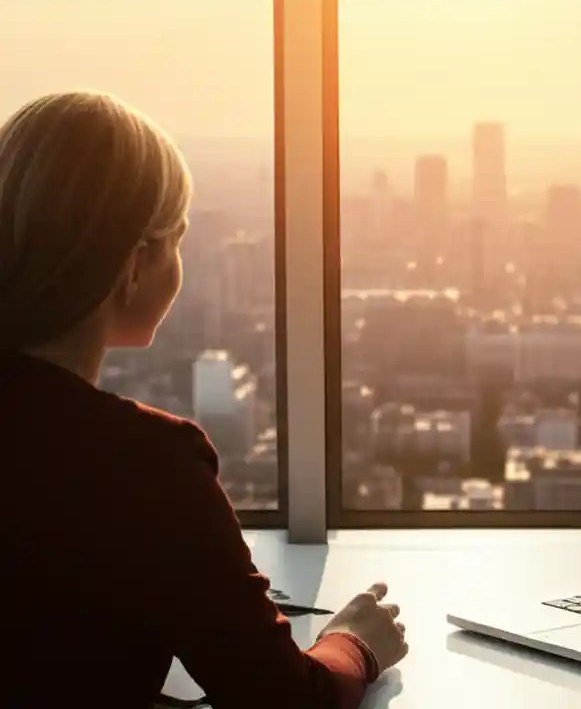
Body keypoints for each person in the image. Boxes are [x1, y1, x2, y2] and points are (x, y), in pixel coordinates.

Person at [0, 92, 408, 708]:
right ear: (133, 268)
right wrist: (354, 643)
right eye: (177, 240)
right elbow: (285, 699)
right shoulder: (145, 465)